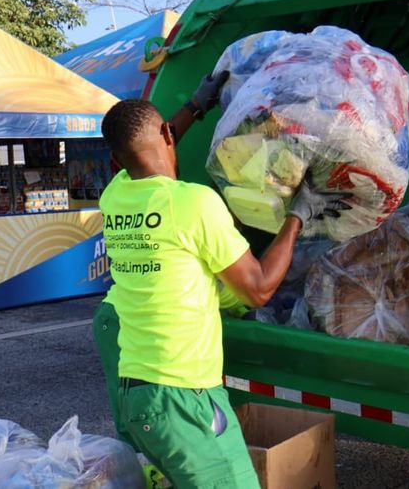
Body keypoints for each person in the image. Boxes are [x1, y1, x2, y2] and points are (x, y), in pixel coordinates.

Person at [92, 72, 347, 489]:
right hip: (181, 396)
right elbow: (259, 288)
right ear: (165, 137)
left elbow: (147, 142)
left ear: (117, 163)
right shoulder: (193, 203)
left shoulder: (116, 194)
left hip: (138, 390)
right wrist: (299, 214)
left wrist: (195, 106)